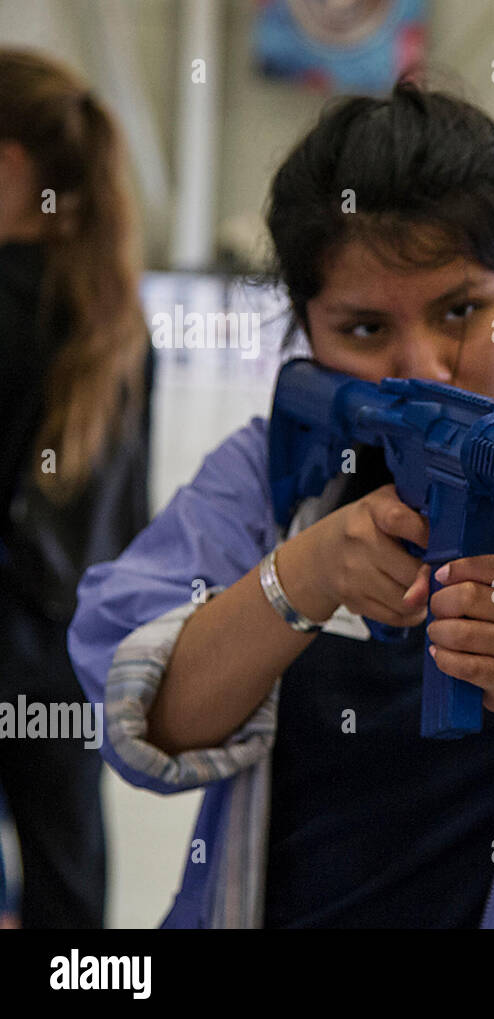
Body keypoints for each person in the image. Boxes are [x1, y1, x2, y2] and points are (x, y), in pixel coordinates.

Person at [68, 81, 494, 928]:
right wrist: (301, 576)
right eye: (365, 330)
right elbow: (145, 717)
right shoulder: (273, 476)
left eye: (464, 310)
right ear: (307, 332)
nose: (427, 365)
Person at [0, 49, 150, 929]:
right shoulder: (119, 318)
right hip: (71, 657)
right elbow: (126, 514)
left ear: (11, 164)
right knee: (70, 882)